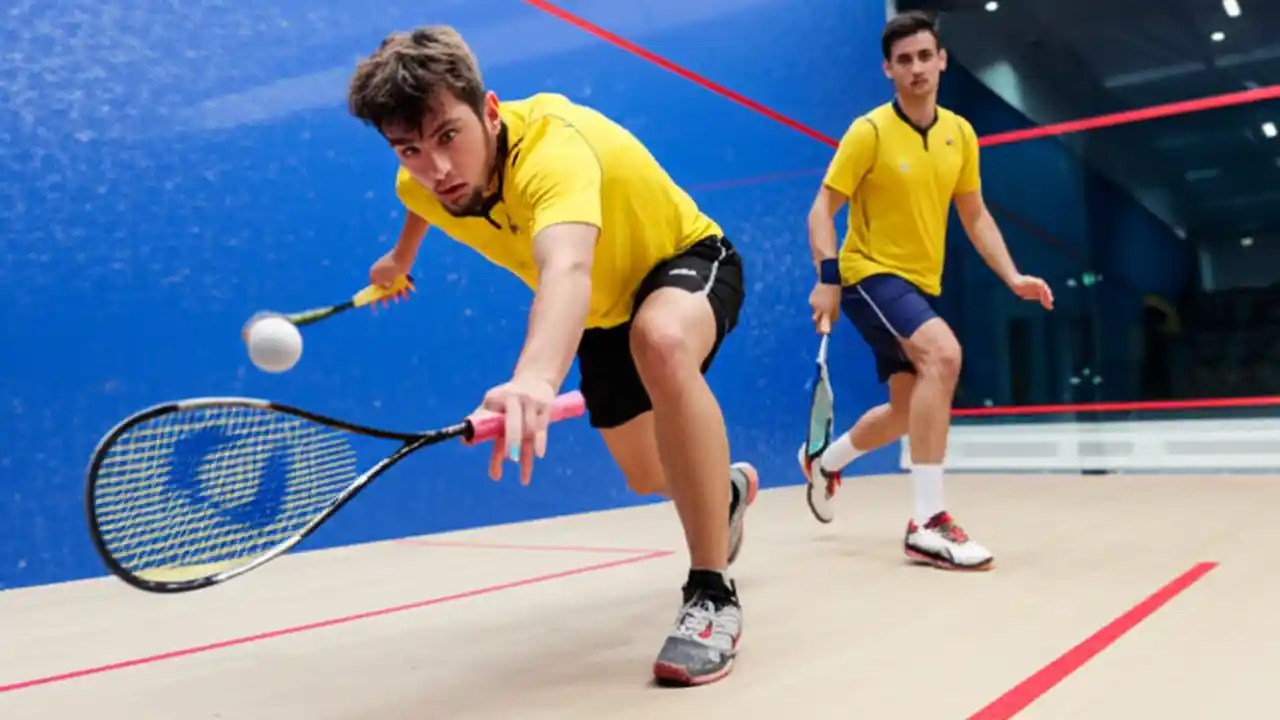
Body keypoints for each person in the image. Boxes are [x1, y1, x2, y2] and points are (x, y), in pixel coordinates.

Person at [346, 25, 756, 686]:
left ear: (489, 110)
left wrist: (536, 378)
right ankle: (726, 490)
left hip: (683, 261)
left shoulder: (553, 150)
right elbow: (420, 201)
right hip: (601, 317)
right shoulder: (418, 182)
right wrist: (400, 261)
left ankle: (711, 594)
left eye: (449, 136)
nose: (438, 168)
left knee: (662, 341)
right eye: (410, 148)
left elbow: (566, 267)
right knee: (650, 478)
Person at [799, 11, 1053, 571]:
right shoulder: (868, 133)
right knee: (944, 354)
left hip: (918, 284)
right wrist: (828, 277)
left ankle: (826, 460)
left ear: (941, 61)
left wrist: (1012, 275)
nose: (916, 68)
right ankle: (928, 522)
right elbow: (822, 209)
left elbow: (975, 213)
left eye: (925, 57)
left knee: (904, 410)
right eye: (904, 60)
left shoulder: (960, 134)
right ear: (888, 69)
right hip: (868, 275)